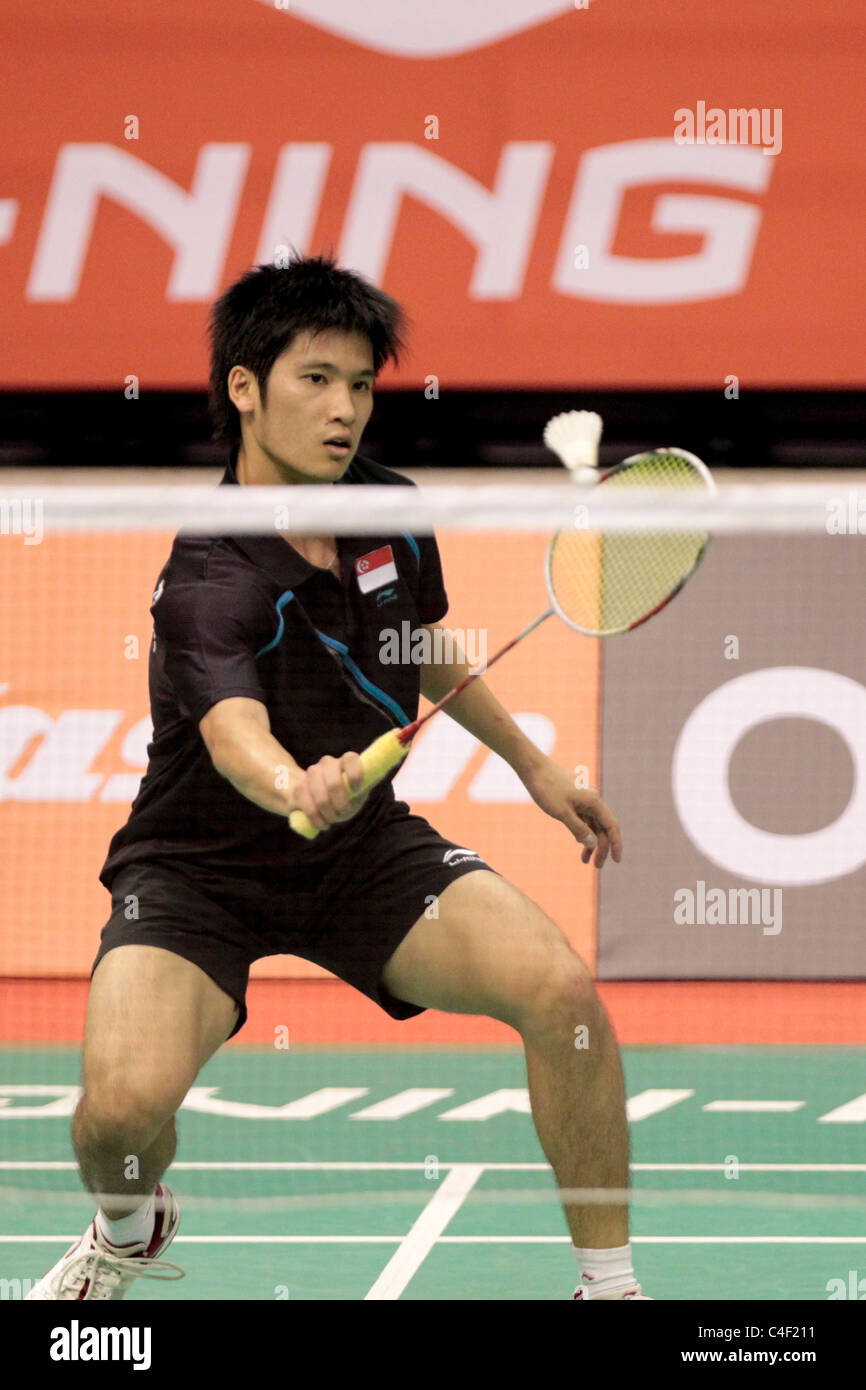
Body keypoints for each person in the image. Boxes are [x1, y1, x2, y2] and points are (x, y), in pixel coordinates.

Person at [28, 253, 646, 1301]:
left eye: (360, 384)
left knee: (562, 994)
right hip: (196, 874)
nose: (345, 407)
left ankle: (609, 1284)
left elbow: (422, 643)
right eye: (314, 379)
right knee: (118, 1118)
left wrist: (533, 763)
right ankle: (127, 1228)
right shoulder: (208, 574)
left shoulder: (390, 507)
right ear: (242, 388)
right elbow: (231, 735)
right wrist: (292, 784)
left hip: (362, 852)